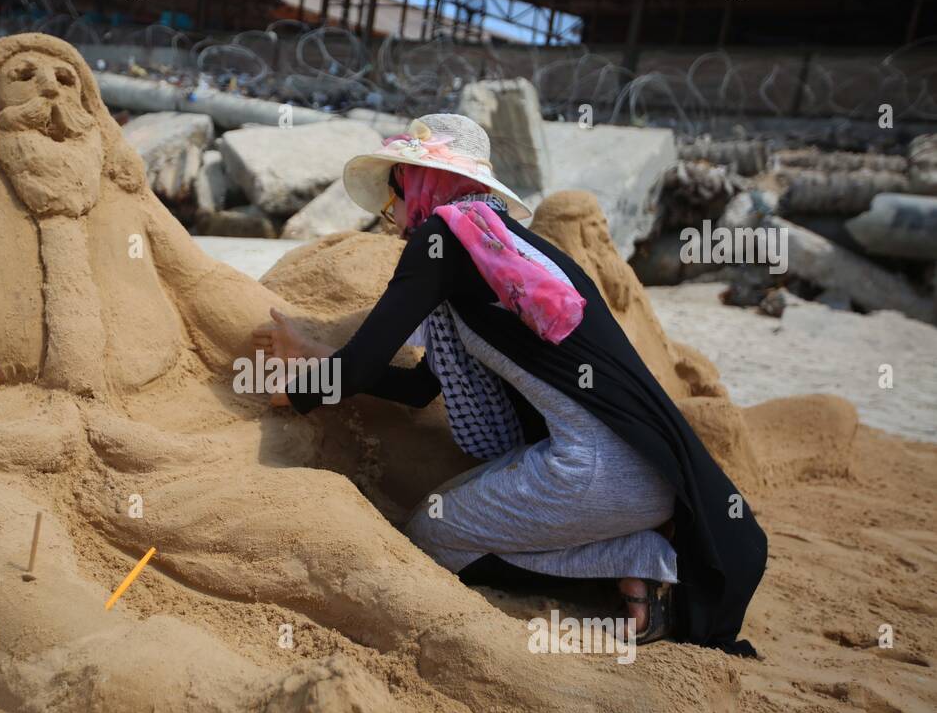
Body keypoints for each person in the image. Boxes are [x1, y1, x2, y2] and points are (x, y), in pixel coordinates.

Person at [256, 113, 767, 653]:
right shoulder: (506, 251)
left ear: (420, 180)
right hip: (649, 472)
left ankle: (645, 560)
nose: (392, 215)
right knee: (439, 508)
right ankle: (641, 555)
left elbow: (360, 367)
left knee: (429, 541)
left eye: (393, 193)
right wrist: (318, 354)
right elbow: (421, 386)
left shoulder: (444, 240)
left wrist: (294, 393)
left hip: (594, 468)